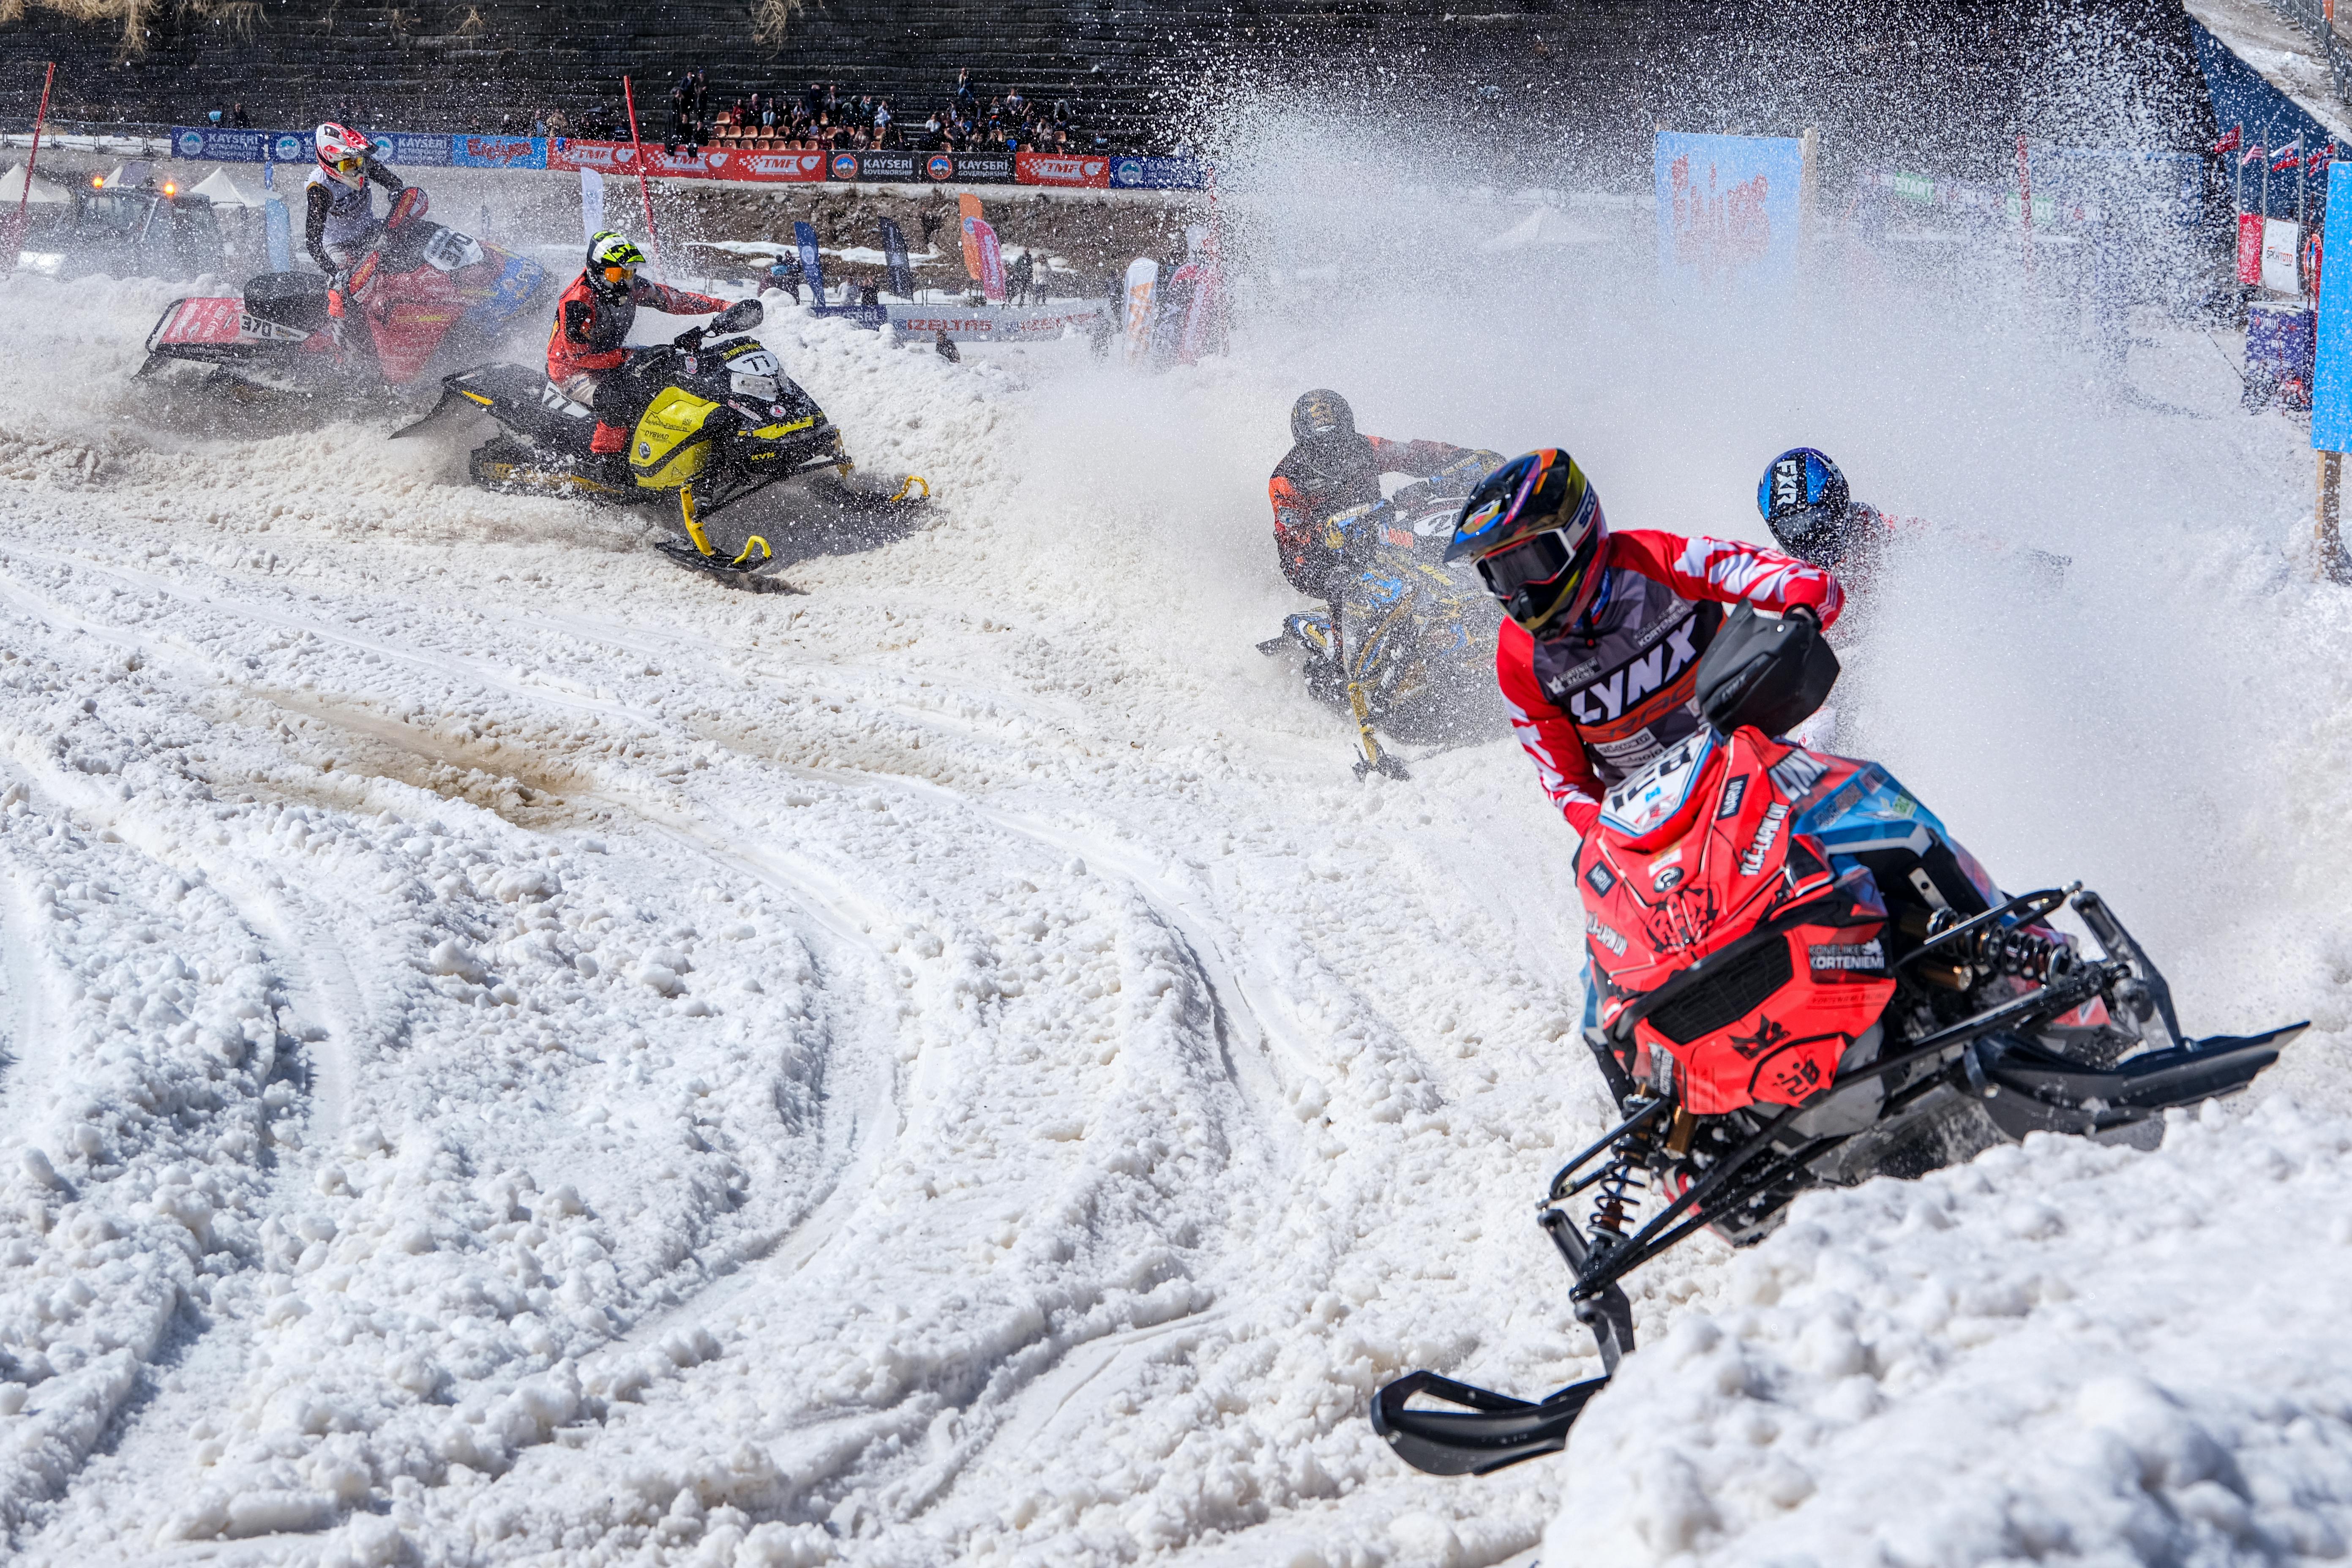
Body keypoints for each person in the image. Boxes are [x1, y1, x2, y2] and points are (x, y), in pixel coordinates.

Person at [1443, 448, 1845, 835]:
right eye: (1500, 574)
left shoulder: (1659, 559)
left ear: (1577, 531)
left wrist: (1798, 627)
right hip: (1654, 826)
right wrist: (1609, 840)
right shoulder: (1518, 657)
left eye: (1531, 563)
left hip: (1756, 770)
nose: (1522, 593)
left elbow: (1810, 583)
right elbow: (1567, 785)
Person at [1757, 447, 2066, 590]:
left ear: (1838, 500)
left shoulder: (1869, 527)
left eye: (1818, 521)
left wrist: (2016, 557)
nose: (1810, 537)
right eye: (1793, 529)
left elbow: (1940, 536)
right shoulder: (1771, 570)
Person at [1267, 390, 1474, 599]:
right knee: (1348, 585)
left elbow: (1408, 454)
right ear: (1304, 442)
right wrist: (1327, 533)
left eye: (1339, 441)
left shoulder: (1365, 447)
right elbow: (1292, 540)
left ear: (1348, 431)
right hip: (1315, 561)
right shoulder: (1287, 478)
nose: (1332, 451)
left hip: (1376, 536)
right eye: (1321, 446)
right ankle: (1343, 626)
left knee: (1424, 543)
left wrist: (1460, 457)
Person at [546, 231, 732, 459]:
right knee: (618, 402)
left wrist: (721, 305)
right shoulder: (578, 303)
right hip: (573, 371)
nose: (625, 280)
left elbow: (672, 299)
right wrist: (627, 356)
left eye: (629, 272)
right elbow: (579, 358)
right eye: (616, 274)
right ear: (598, 271)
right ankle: (604, 461)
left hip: (610, 358)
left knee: (670, 369)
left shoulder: (628, 286)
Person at [304, 121, 406, 274]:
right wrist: (335, 274)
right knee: (347, 284)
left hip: (370, 229)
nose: (357, 168)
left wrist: (396, 205)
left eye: (358, 161)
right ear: (330, 163)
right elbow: (313, 244)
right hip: (337, 244)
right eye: (348, 165)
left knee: (405, 251)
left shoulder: (361, 162)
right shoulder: (320, 189)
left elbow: (396, 185)